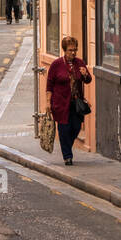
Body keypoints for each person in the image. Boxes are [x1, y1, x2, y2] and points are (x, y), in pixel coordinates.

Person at [45, 36, 91, 165]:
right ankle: (67, 156)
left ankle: (67, 149)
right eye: (70, 50)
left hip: (76, 103)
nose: (73, 52)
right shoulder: (56, 64)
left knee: (76, 127)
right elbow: (49, 84)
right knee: (64, 129)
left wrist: (85, 74)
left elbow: (88, 80)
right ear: (64, 50)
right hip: (60, 103)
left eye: (75, 50)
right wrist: (48, 102)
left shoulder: (80, 63)